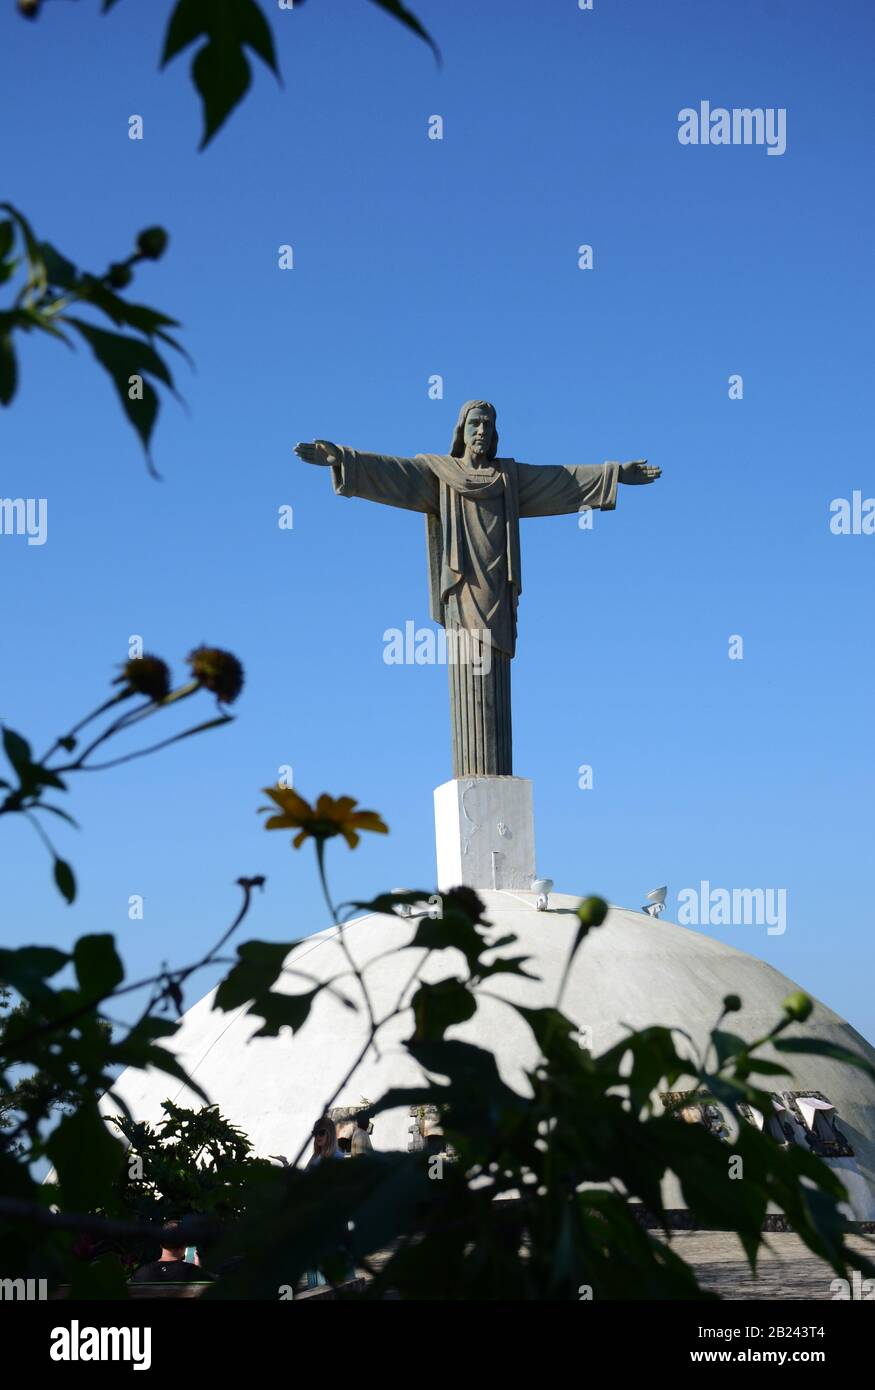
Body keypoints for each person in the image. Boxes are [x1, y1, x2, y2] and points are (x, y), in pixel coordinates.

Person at [130, 1221, 213, 1283]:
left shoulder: (142, 1273)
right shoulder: (192, 1272)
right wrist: (198, 1270)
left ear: (160, 1244)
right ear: (184, 1245)